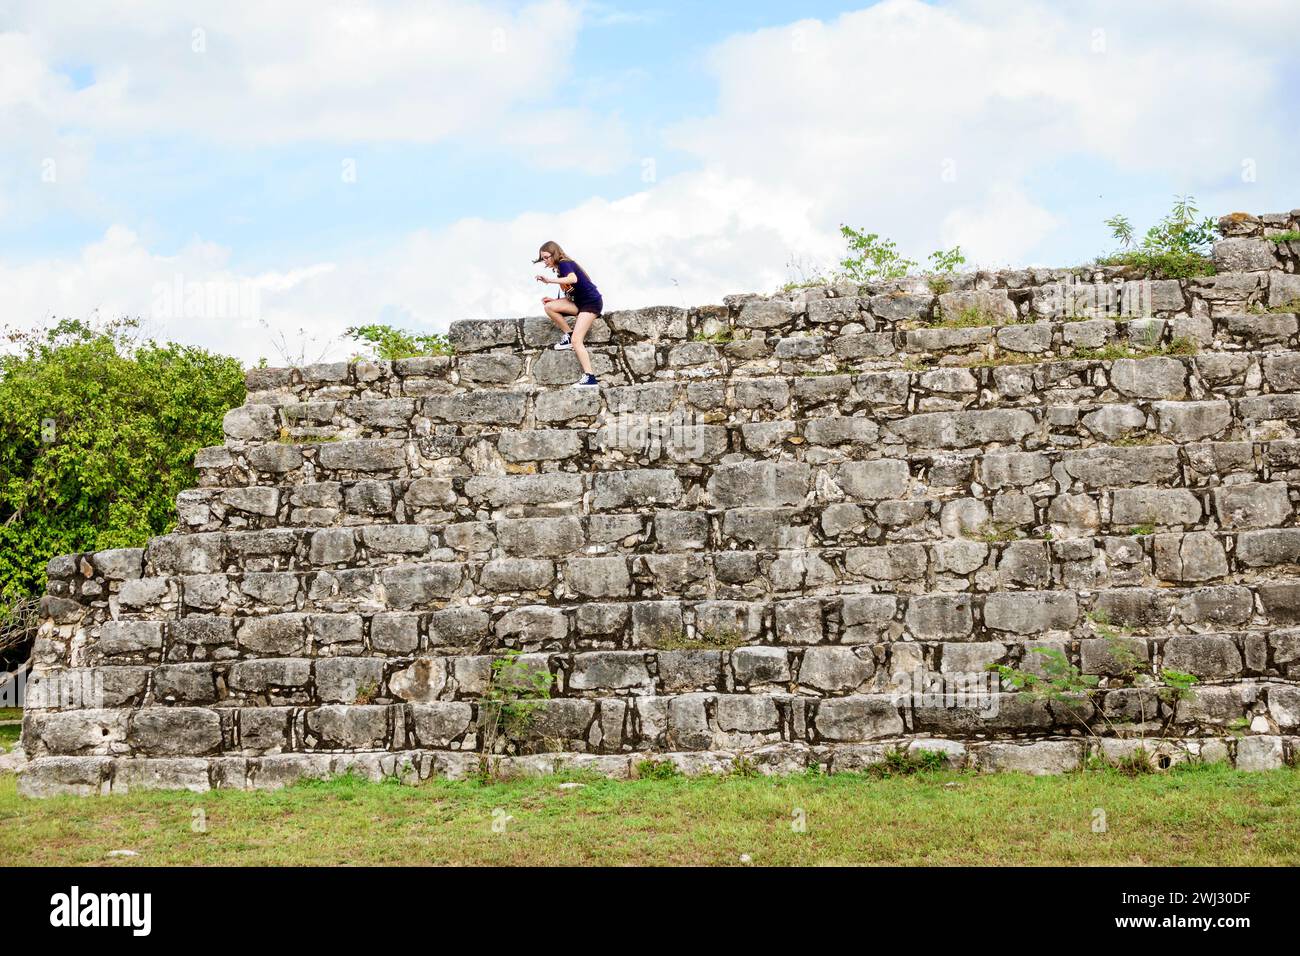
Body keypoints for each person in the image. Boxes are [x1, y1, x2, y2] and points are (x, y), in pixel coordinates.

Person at [534, 241, 603, 387]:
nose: (545, 261)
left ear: (554, 254)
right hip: (579, 303)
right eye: (542, 259)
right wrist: (556, 301)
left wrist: (549, 281)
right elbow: (572, 295)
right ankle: (569, 334)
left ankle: (590, 378)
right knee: (549, 306)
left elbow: (573, 279)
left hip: (591, 303)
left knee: (577, 341)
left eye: (546, 257)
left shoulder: (564, 263)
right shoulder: (560, 270)